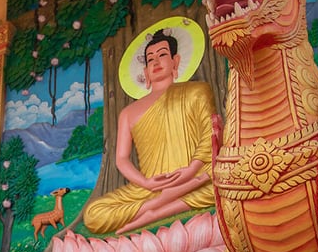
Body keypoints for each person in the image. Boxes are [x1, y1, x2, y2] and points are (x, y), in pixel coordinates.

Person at [82, 29, 218, 235]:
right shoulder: (128, 113)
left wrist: (190, 171)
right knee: (93, 214)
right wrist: (146, 183)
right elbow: (121, 159)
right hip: (151, 187)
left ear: (176, 60)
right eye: (150, 59)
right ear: (145, 71)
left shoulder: (197, 91)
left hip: (195, 173)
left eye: (162, 54)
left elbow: (210, 136)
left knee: (222, 178)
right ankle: (162, 204)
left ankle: (155, 211)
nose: (155, 62)